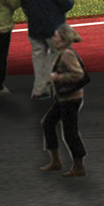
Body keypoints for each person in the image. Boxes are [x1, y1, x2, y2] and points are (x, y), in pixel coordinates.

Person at [37, 24, 89, 177]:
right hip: (64, 98)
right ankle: (56, 161)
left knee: (70, 131)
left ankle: (78, 166)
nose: (53, 39)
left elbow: (78, 74)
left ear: (63, 39)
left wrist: (56, 77)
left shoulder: (67, 54)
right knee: (48, 123)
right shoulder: (60, 53)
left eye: (56, 36)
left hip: (70, 99)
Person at [18, 0, 73, 99]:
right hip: (53, 28)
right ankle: (55, 86)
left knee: (38, 58)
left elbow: (22, 1)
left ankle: (39, 90)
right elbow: (65, 4)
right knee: (57, 56)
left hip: (34, 27)